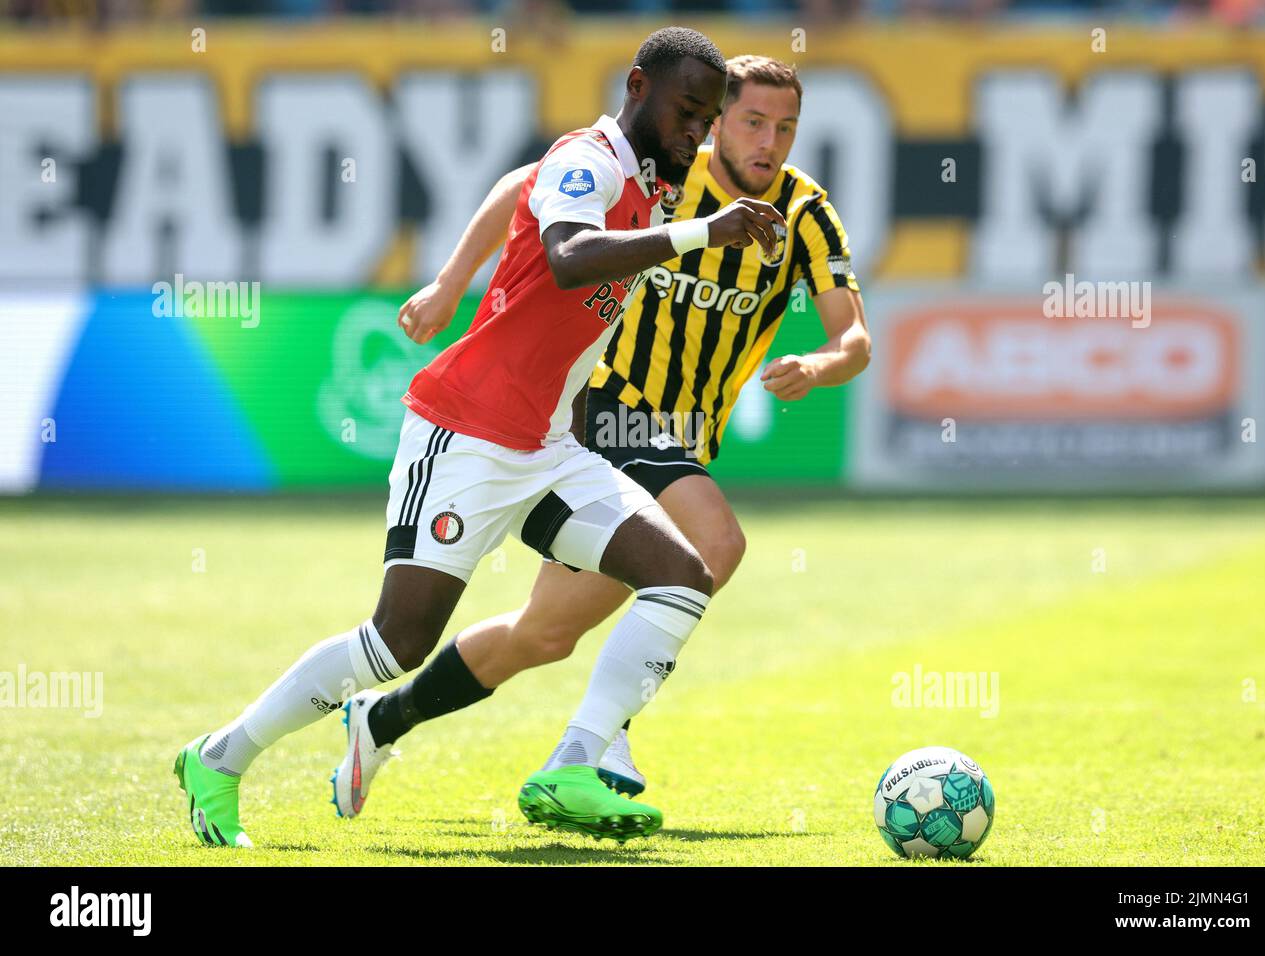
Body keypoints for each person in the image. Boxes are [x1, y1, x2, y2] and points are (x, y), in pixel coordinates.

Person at [174, 26, 786, 847]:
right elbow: (570, 256)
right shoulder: (595, 162)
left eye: (707, 119)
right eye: (686, 111)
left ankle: (576, 759)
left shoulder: (652, 177)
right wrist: (700, 235)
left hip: (546, 448)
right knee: (395, 644)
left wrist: (453, 275)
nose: (696, 133)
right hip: (464, 434)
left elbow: (516, 186)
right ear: (637, 87)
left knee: (682, 576)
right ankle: (220, 756)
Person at [334, 54, 870, 818]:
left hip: (682, 435)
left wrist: (819, 364)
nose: (768, 141)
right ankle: (589, 747)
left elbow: (856, 341)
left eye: (785, 128)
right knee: (717, 543)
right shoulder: (669, 172)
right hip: (604, 408)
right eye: (751, 120)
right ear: (716, 119)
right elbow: (523, 188)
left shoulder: (806, 213)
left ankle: (383, 719)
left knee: (542, 634)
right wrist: (451, 284)